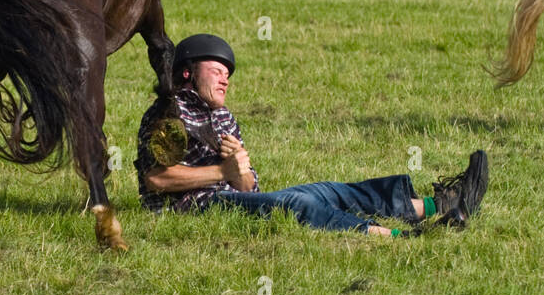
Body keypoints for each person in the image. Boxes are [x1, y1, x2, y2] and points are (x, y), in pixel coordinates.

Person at [136, 34, 489, 237]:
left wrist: (239, 170)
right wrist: (220, 172)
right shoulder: (169, 113)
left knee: (328, 191)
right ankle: (396, 237)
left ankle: (439, 205)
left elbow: (248, 188)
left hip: (231, 199)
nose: (225, 79)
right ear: (187, 73)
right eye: (216, 71)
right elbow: (156, 180)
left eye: (227, 73)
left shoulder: (223, 117)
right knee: (297, 205)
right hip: (195, 210)